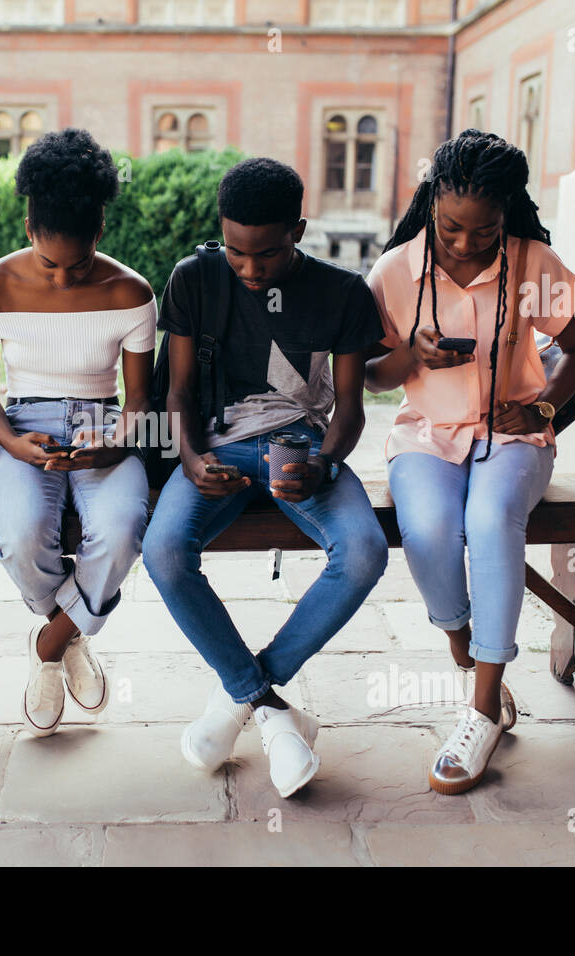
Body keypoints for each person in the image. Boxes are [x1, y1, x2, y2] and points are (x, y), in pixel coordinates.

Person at [141, 157, 389, 798]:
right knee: (163, 551)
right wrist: (192, 459)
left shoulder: (343, 293)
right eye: (236, 252)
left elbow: (353, 411)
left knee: (363, 552)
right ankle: (274, 711)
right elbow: (180, 389)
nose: (250, 271)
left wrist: (325, 465)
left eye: (268, 255)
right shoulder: (195, 279)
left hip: (299, 446)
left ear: (299, 231)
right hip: (215, 449)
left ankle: (241, 702)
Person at [364, 130, 575, 795]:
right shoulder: (397, 271)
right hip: (427, 435)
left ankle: (484, 704)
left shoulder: (534, 264)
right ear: (433, 201)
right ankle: (461, 634)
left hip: (513, 437)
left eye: (484, 232)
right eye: (451, 229)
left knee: (492, 519)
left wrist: (546, 408)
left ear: (508, 215)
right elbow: (370, 375)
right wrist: (412, 358)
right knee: (432, 528)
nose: (466, 244)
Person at [0, 128, 156, 738]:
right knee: (19, 536)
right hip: (22, 427)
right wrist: (14, 444)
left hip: (103, 426)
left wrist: (115, 442)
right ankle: (73, 635)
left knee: (125, 527)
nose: (64, 278)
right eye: (49, 262)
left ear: (99, 231)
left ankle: (50, 643)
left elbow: (141, 403)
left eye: (78, 262)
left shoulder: (131, 292)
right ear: (28, 228)